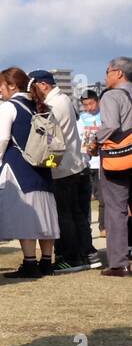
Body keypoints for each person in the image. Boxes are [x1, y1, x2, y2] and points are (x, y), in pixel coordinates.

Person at [0, 69, 59, 278]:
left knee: (25, 214)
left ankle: (30, 263)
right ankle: (47, 261)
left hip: (18, 166)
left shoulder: (8, 107)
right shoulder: (40, 105)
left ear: (12, 85)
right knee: (44, 214)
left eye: (1, 85)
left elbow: (1, 139)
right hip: (43, 165)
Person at [28, 70, 91, 272]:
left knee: (64, 215)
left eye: (34, 88)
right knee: (78, 214)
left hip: (61, 168)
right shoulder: (65, 99)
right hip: (76, 164)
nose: (33, 93)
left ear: (43, 85)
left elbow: (47, 136)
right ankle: (85, 253)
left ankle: (69, 257)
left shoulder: (53, 105)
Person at [95, 57, 132, 277]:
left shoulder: (112, 96)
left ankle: (119, 262)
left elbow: (111, 125)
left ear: (118, 73)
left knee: (116, 209)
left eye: (107, 71)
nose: (106, 75)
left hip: (119, 158)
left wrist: (94, 140)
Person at [79, 88, 105, 241]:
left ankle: (103, 227)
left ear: (97, 101)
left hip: (102, 162)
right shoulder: (81, 118)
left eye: (91, 104)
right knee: (85, 198)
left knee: (103, 198)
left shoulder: (106, 115)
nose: (89, 108)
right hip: (87, 163)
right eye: (85, 105)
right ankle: (86, 227)